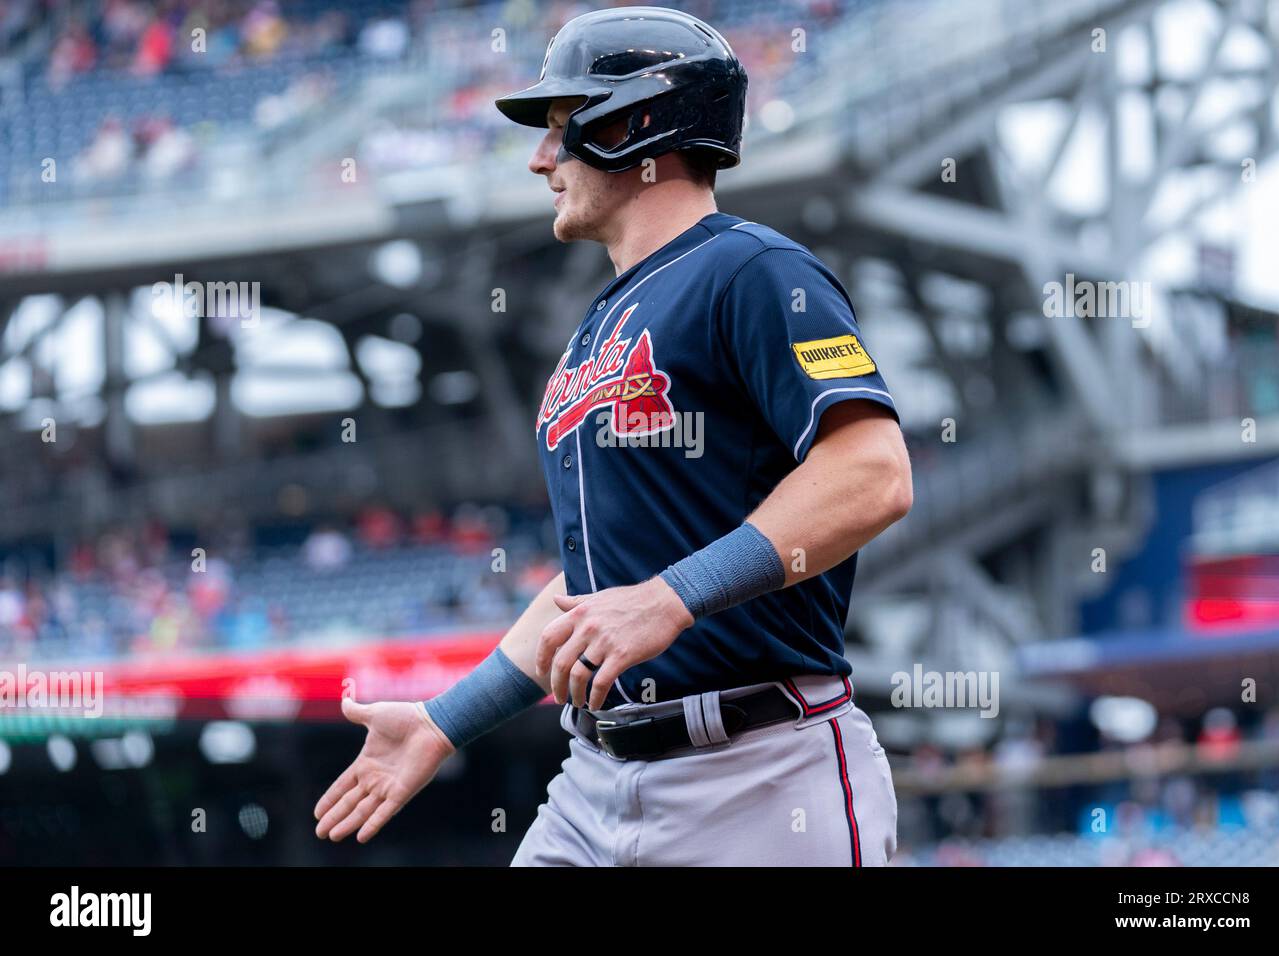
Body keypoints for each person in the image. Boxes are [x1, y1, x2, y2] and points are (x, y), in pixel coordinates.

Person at [314, 6, 912, 867]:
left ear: (635, 126)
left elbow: (873, 470)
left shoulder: (753, 269)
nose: (540, 159)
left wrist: (669, 597)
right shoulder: (596, 327)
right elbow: (599, 587)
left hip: (759, 771)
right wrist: (446, 721)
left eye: (561, 128)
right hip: (595, 777)